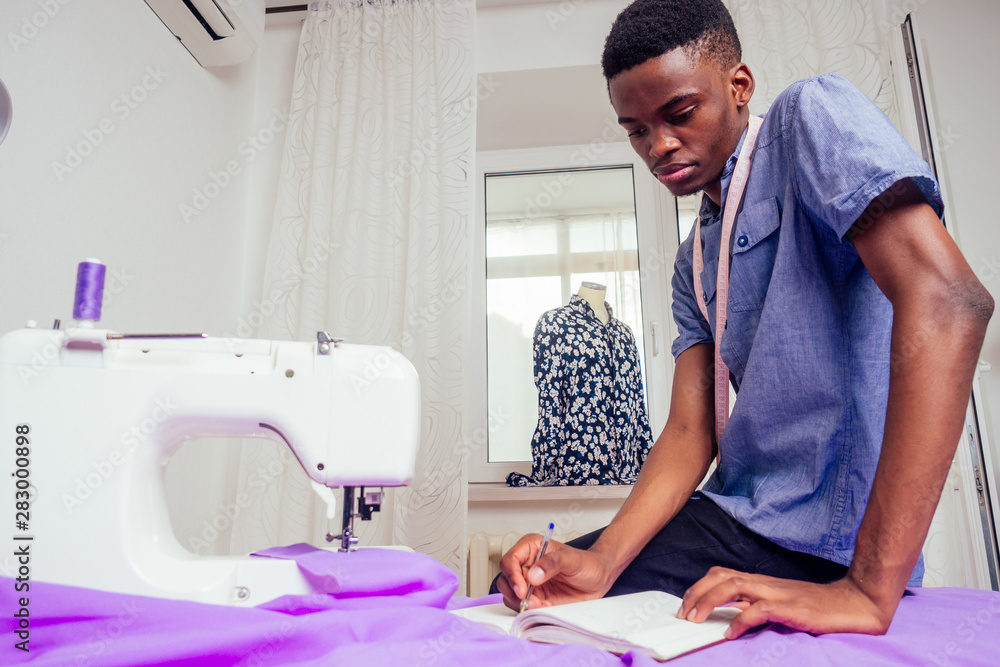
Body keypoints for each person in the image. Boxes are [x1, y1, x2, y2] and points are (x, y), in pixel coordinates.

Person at [495, 0, 993, 638]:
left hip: (821, 541)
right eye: (636, 129)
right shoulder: (693, 260)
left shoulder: (806, 118)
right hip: (741, 517)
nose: (660, 144)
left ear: (739, 87)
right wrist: (600, 561)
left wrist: (868, 590)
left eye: (679, 114)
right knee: (530, 597)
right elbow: (687, 429)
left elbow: (950, 301)